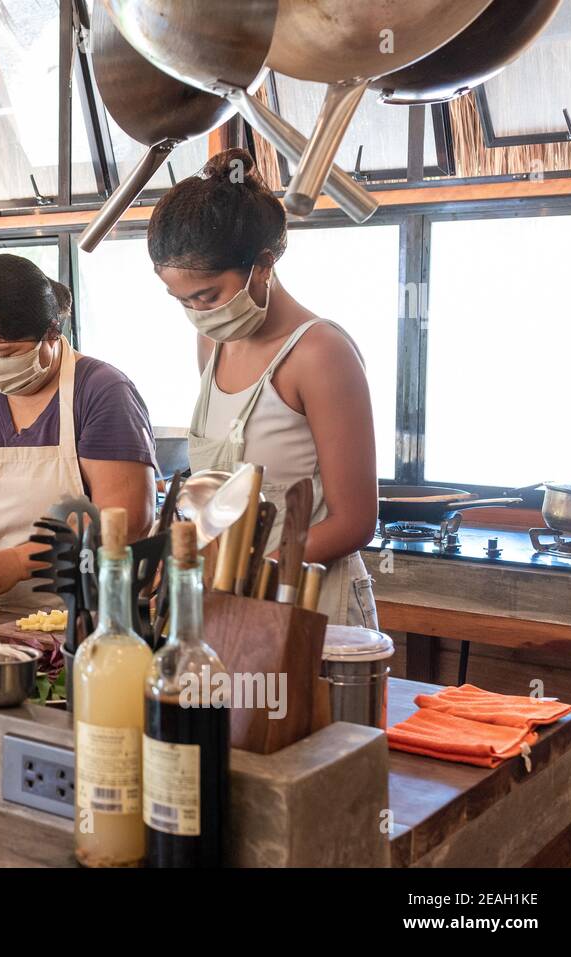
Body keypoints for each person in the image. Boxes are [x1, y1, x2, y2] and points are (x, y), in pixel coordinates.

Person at [146, 148, 379, 627]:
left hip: (310, 602)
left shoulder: (320, 354)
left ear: (264, 264)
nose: (197, 312)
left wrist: (252, 571)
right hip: (227, 604)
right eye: (181, 300)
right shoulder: (214, 339)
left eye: (207, 296)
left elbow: (354, 522)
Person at [0, 254, 158, 607]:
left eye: (6, 353)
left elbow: (127, 520)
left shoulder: (102, 391)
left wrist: (19, 561)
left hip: (75, 617)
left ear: (52, 332)